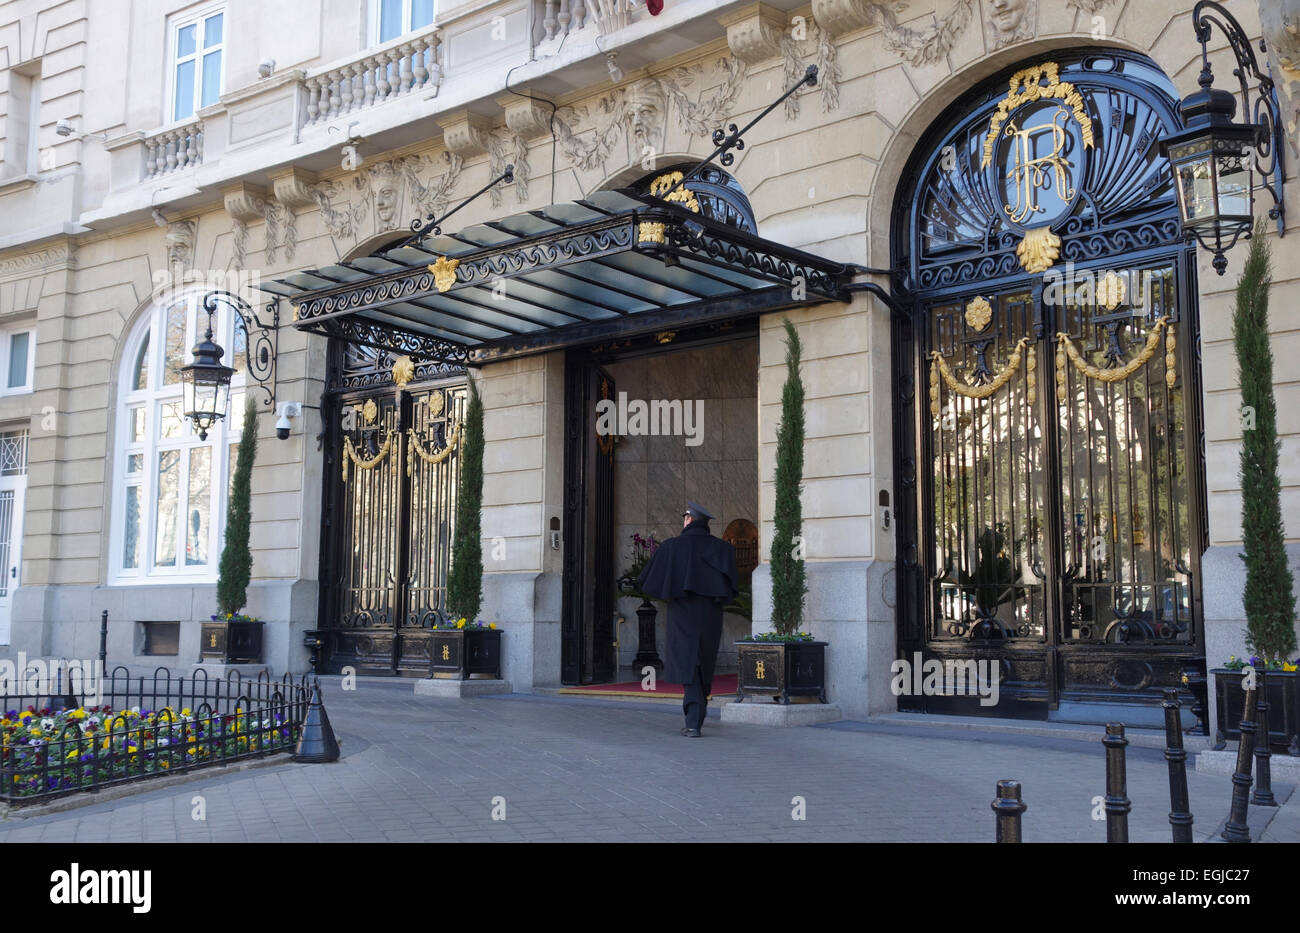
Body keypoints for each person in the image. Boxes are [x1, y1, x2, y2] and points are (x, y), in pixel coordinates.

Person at [638, 501, 737, 737]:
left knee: (688, 662)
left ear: (688, 520)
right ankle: (698, 711)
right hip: (711, 614)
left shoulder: (672, 547)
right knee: (705, 659)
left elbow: (648, 581)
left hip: (682, 612)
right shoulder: (722, 549)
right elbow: (731, 585)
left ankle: (693, 721)